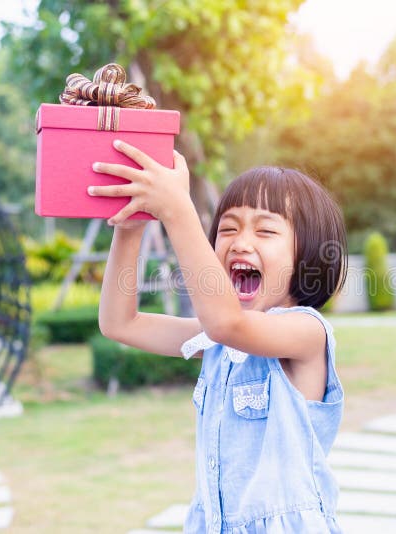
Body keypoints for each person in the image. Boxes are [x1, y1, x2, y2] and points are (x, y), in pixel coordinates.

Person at [93, 139, 347, 533]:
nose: (240, 242)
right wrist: (130, 228)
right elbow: (119, 323)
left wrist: (177, 211)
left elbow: (227, 323)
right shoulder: (217, 341)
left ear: (308, 254)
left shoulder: (307, 332)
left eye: (265, 230)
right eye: (227, 228)